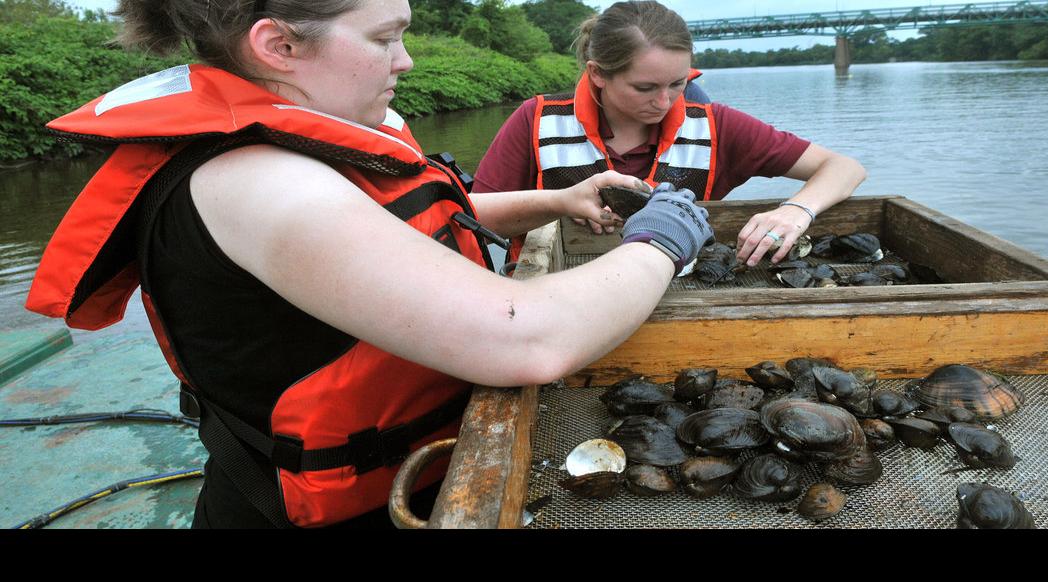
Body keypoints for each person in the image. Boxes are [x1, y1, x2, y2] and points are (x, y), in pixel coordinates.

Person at [24, 0, 713, 529]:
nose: (406, 59)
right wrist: (659, 242)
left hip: (412, 473)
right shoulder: (258, 183)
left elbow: (410, 225)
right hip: (317, 512)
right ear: (279, 44)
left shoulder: (311, 143)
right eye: (385, 37)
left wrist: (557, 197)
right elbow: (525, 338)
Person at [473, 0, 866, 268]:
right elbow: (472, 215)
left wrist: (796, 210)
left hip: (682, 294)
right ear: (598, 74)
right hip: (559, 301)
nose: (664, 101)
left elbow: (844, 167)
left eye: (678, 83)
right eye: (645, 88)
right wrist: (559, 203)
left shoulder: (715, 125)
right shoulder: (537, 120)